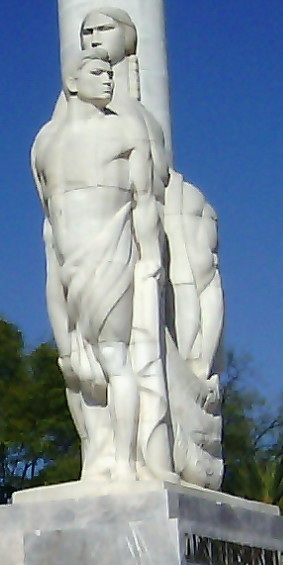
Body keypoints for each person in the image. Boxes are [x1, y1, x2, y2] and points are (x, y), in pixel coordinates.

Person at [35, 49, 173, 483]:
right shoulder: (45, 143)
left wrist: (150, 258)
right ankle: (96, 458)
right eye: (97, 72)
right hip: (65, 263)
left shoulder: (126, 132)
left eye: (110, 72)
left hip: (111, 255)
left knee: (115, 360)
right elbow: (48, 213)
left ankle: (128, 462)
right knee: (74, 367)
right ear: (73, 83)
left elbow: (145, 202)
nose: (108, 79)